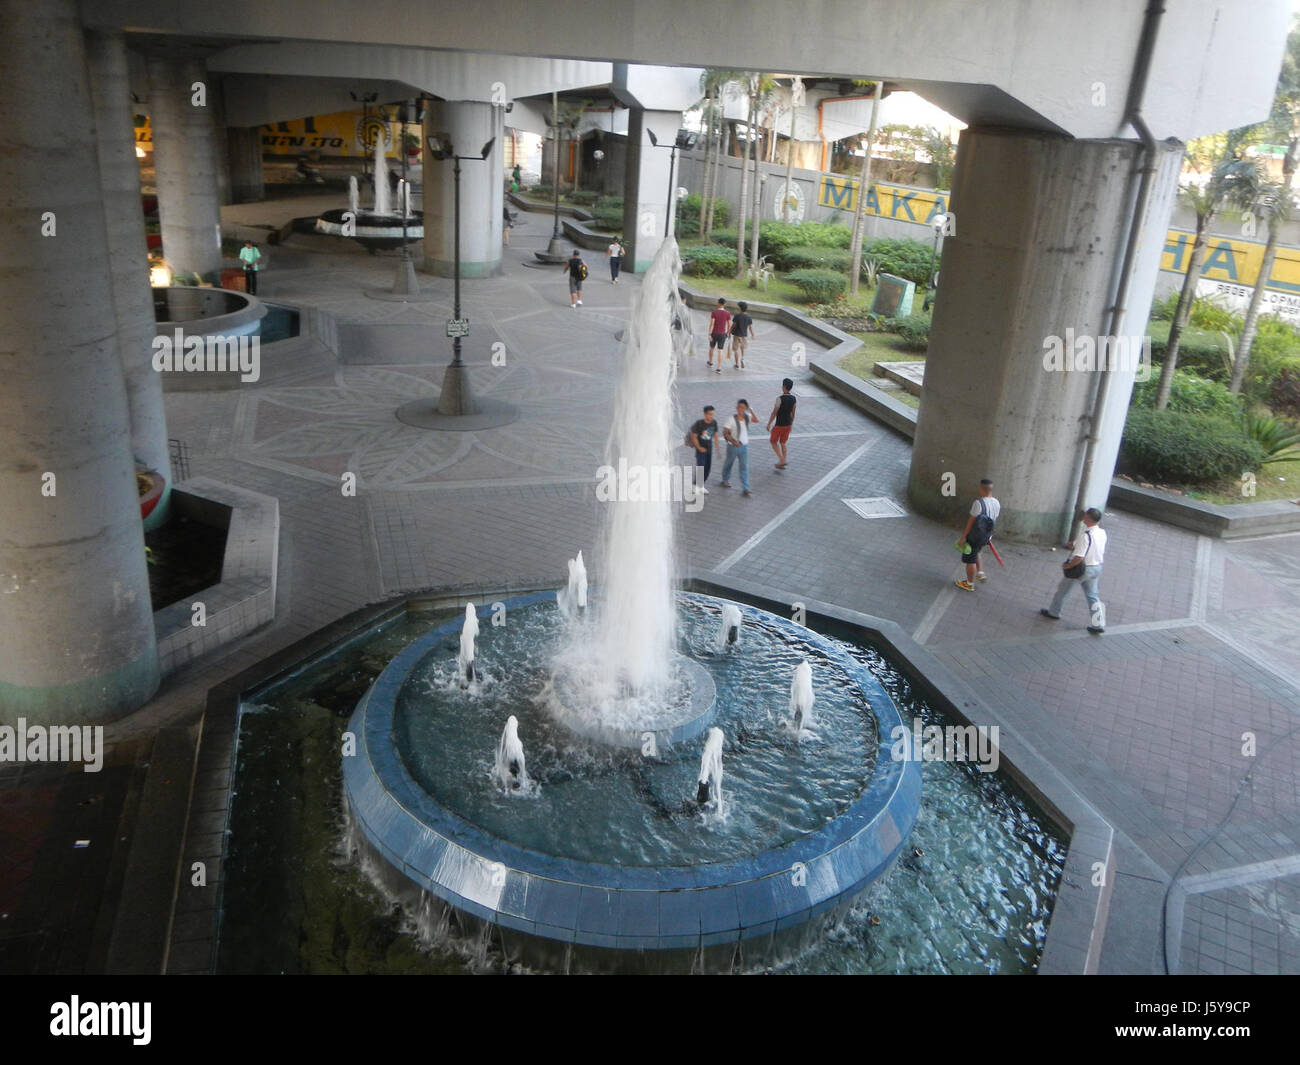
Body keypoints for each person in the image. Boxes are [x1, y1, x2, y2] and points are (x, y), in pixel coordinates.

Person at [1041, 508, 1108, 633]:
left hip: (1083, 569)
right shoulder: (1102, 533)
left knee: (1063, 590)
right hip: (1097, 567)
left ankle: (1054, 612)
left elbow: (1079, 557)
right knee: (1092, 596)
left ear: (1088, 518)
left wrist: (1067, 566)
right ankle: (1099, 624)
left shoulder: (1085, 535)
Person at [954, 478, 1000, 591]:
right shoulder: (997, 502)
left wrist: (963, 537)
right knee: (977, 551)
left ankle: (969, 584)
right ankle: (980, 572)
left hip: (975, 536)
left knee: (970, 559)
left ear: (981, 489)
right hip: (987, 536)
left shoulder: (978, 503)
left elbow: (970, 522)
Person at [720, 398, 758, 496]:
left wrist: (751, 410)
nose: (740, 409)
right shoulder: (730, 419)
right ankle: (725, 479)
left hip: (744, 447)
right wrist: (734, 442)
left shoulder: (747, 417)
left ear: (745, 408)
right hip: (733, 447)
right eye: (739, 407)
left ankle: (746, 487)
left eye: (742, 407)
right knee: (729, 464)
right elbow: (725, 433)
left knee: (744, 467)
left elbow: (756, 420)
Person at [688, 405, 719, 498]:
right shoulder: (699, 424)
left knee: (707, 468)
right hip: (700, 449)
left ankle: (700, 485)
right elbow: (694, 436)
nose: (711, 416)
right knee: (701, 467)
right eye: (709, 414)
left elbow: (715, 434)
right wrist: (699, 447)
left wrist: (717, 448)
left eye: (713, 414)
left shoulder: (714, 423)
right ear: (705, 414)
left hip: (709, 449)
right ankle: (695, 486)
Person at [766, 378, 797, 468]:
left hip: (779, 425)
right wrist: (791, 424)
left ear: (783, 387)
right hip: (788, 425)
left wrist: (769, 423)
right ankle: (784, 460)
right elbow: (793, 413)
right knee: (783, 443)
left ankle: (781, 459)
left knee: (773, 442)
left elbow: (774, 413)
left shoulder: (779, 399)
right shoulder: (794, 399)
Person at [728, 300, 756, 369]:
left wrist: (729, 332)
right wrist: (753, 334)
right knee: (743, 348)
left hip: (737, 335)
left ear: (740, 308)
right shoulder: (748, 317)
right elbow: (750, 327)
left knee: (736, 350)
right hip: (744, 335)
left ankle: (737, 364)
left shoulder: (737, 316)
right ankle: (743, 359)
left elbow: (733, 326)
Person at [707, 298, 731, 372]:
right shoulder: (727, 313)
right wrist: (727, 333)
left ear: (719, 303)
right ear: (724, 304)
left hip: (714, 333)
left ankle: (710, 362)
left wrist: (709, 334)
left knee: (711, 348)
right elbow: (729, 325)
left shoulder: (714, 312)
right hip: (722, 334)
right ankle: (719, 367)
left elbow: (712, 324)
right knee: (720, 350)